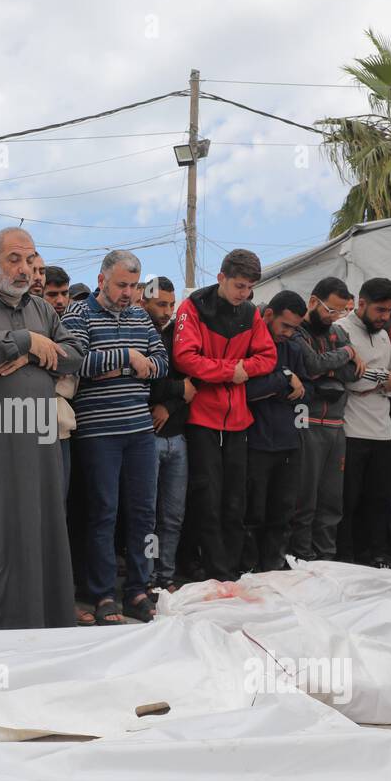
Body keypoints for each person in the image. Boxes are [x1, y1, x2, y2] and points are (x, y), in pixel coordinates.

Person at [0, 227, 85, 629]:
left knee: (42, 527)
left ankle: (44, 621)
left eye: (30, 260)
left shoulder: (43, 309)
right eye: (14, 259)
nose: (24, 269)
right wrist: (25, 340)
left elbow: (75, 354)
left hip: (40, 442)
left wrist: (28, 356)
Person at [61, 250, 167, 624]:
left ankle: (138, 588)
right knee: (102, 514)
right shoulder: (78, 314)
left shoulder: (141, 315)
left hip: (139, 431)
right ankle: (102, 594)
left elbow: (161, 365)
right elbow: (75, 362)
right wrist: (128, 358)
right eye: (122, 284)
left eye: (134, 286)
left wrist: (125, 364)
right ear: (102, 278)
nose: (129, 293)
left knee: (142, 514)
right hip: (97, 432)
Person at [173, 249, 277, 582]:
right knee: (207, 496)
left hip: (238, 419)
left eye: (249, 288)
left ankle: (230, 570)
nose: (244, 294)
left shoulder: (251, 313)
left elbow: (268, 356)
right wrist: (232, 371)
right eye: (239, 286)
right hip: (202, 418)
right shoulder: (192, 307)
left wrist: (235, 370)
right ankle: (209, 569)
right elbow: (185, 358)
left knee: (236, 499)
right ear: (221, 278)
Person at [289, 277, 363, 561]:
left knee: (331, 501)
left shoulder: (338, 333)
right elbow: (310, 365)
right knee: (304, 500)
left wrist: (328, 369)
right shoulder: (296, 331)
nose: (336, 316)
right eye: (331, 310)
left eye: (341, 311)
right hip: (305, 424)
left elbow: (352, 374)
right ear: (313, 302)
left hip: (335, 426)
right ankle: (301, 558)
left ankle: (326, 558)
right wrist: (345, 355)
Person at [337, 277, 391, 567]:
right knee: (349, 499)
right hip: (352, 427)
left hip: (382, 427)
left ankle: (376, 554)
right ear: (361, 303)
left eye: (389, 311)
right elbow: (349, 377)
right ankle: (347, 556)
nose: (385, 317)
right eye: (380, 310)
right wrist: (381, 379)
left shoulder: (385, 334)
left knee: (379, 498)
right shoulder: (341, 330)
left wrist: (382, 380)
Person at [243, 292, 309, 573]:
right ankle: (248, 568)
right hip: (254, 441)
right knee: (252, 513)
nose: (289, 333)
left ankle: (273, 565)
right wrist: (282, 379)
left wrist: (285, 386)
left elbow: (306, 391)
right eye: (285, 326)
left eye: (294, 327)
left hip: (288, 441)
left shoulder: (293, 348)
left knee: (282, 513)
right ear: (268, 315)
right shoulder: (247, 343)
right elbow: (245, 389)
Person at [144, 276, 189, 590]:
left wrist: (170, 406)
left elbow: (194, 384)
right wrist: (175, 393)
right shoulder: (138, 332)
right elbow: (146, 385)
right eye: (161, 304)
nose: (167, 311)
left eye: (171, 305)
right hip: (146, 438)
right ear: (144, 301)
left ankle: (166, 575)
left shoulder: (180, 336)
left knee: (172, 515)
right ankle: (145, 577)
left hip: (177, 437)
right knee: (146, 517)